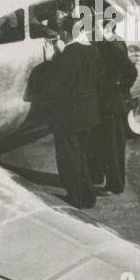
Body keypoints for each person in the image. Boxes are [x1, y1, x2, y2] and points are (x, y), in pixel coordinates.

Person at [46, 12, 101, 209]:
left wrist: (51, 60)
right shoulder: (93, 50)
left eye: (61, 31)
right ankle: (87, 195)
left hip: (69, 117)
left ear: (68, 33)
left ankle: (77, 197)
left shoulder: (68, 56)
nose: (59, 35)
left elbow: (57, 87)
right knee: (80, 156)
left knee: (69, 159)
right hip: (88, 115)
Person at [91, 15, 140, 194]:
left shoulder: (114, 47)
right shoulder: (111, 43)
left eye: (97, 28)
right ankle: (99, 176)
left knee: (113, 146)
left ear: (106, 29)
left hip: (113, 103)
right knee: (104, 142)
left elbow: (131, 72)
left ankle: (115, 185)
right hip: (109, 102)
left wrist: (118, 89)